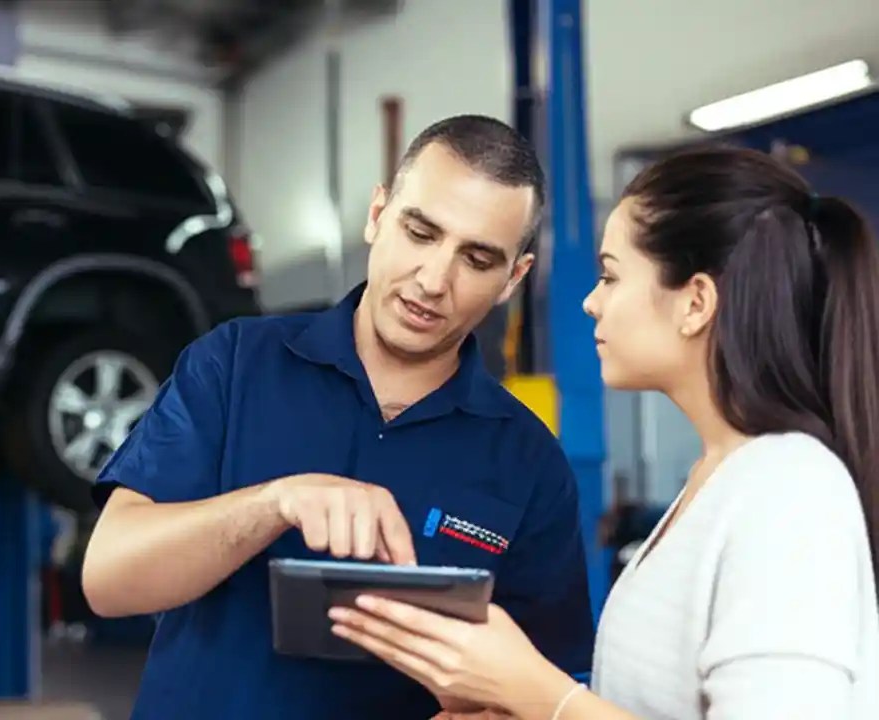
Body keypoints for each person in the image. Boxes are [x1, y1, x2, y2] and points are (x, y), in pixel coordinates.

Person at [329, 146, 879, 719]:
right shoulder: (718, 481)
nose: (591, 303)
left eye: (611, 276)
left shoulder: (786, 489)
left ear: (695, 303)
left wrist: (535, 691)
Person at [80, 114, 596, 720]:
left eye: (477, 259)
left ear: (514, 277)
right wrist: (274, 503)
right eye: (421, 233)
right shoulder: (237, 362)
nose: (434, 280)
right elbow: (109, 581)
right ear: (378, 215)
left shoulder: (529, 462)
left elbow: (550, 680)